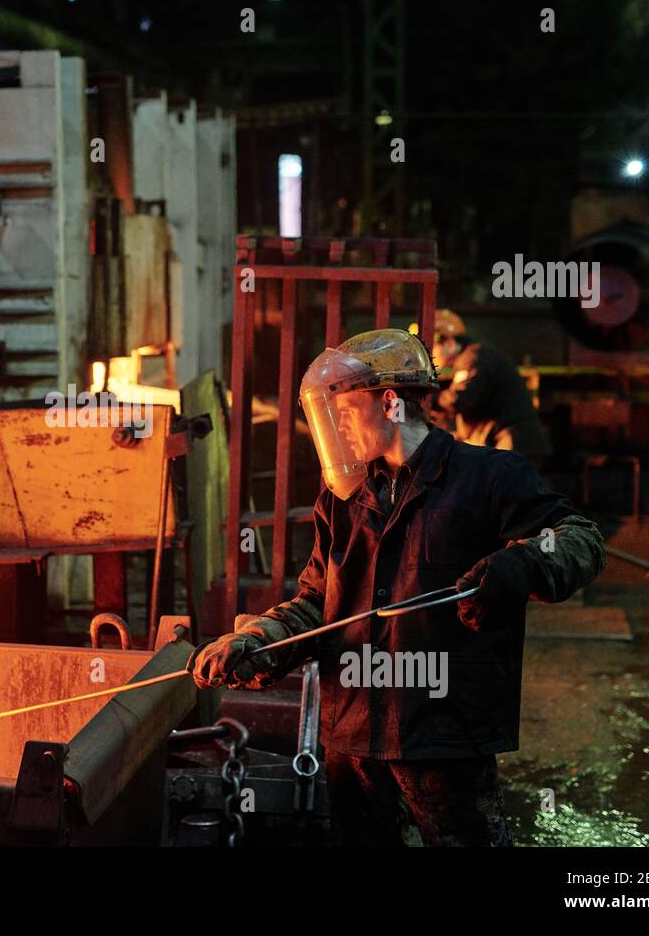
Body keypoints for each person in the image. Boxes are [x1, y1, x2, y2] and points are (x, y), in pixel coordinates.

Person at [190, 328, 605, 846]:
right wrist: (260, 641)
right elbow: (319, 602)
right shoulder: (343, 499)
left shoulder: (488, 476)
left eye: (346, 406)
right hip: (353, 737)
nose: (336, 420)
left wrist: (522, 566)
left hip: (444, 734)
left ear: (389, 403)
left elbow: (580, 539)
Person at [430, 309, 552, 468]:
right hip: (512, 443)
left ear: (450, 343)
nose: (430, 354)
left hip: (513, 444)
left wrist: (428, 399)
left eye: (432, 347)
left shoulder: (473, 357)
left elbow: (459, 399)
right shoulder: (473, 357)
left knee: (508, 490)